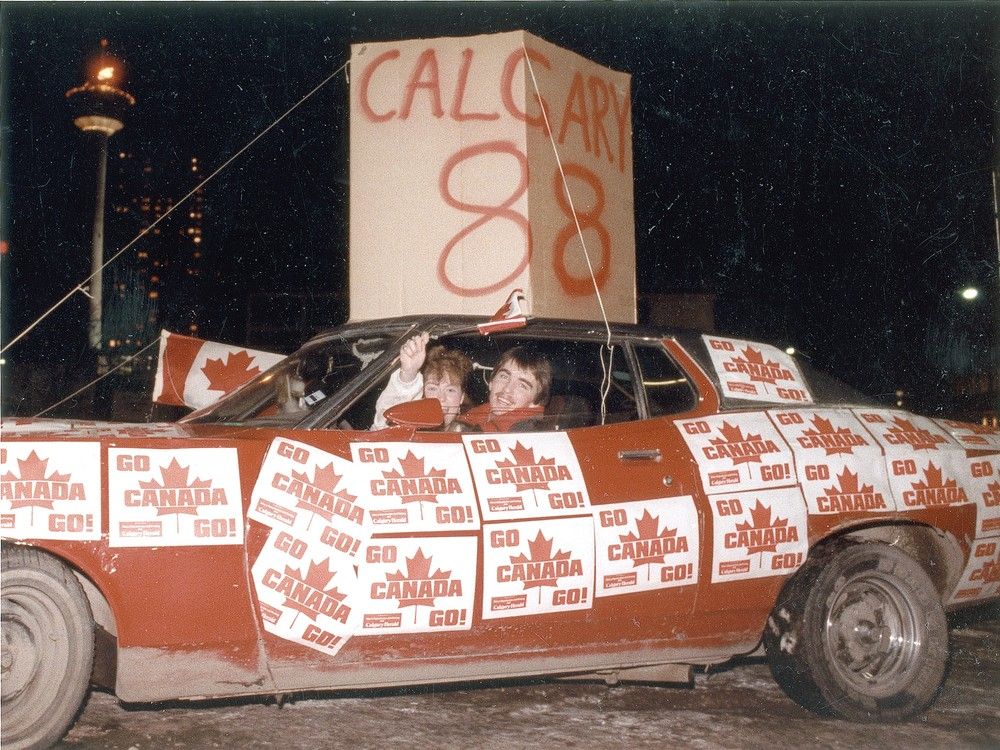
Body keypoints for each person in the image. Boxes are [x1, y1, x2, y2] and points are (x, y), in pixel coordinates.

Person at [371, 332, 472, 430]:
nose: (441, 398)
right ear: (422, 394)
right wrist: (408, 374)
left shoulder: (471, 436)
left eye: (450, 390)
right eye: (432, 388)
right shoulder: (409, 430)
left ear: (461, 398)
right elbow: (383, 425)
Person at [458, 346, 552, 432]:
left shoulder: (528, 434)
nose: (507, 389)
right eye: (504, 376)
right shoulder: (471, 418)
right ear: (491, 381)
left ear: (536, 402)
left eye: (522, 386)